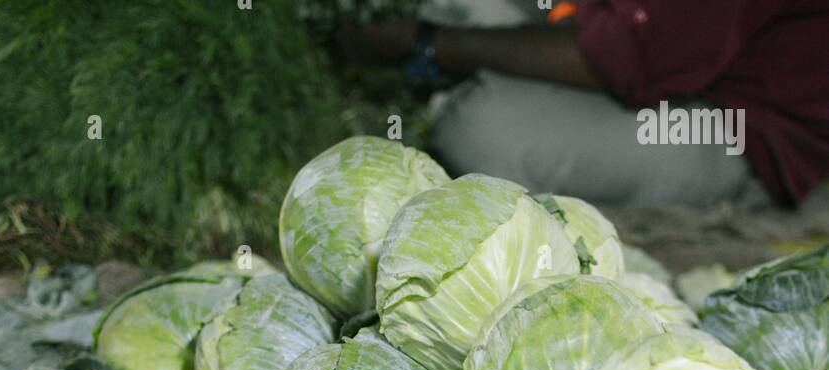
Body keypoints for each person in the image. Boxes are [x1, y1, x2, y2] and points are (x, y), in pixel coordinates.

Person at [340, 1, 829, 209]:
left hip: (734, 123)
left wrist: (428, 44)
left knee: (482, 129)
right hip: (648, 43)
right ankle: (468, 66)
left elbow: (622, 58)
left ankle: (454, 76)